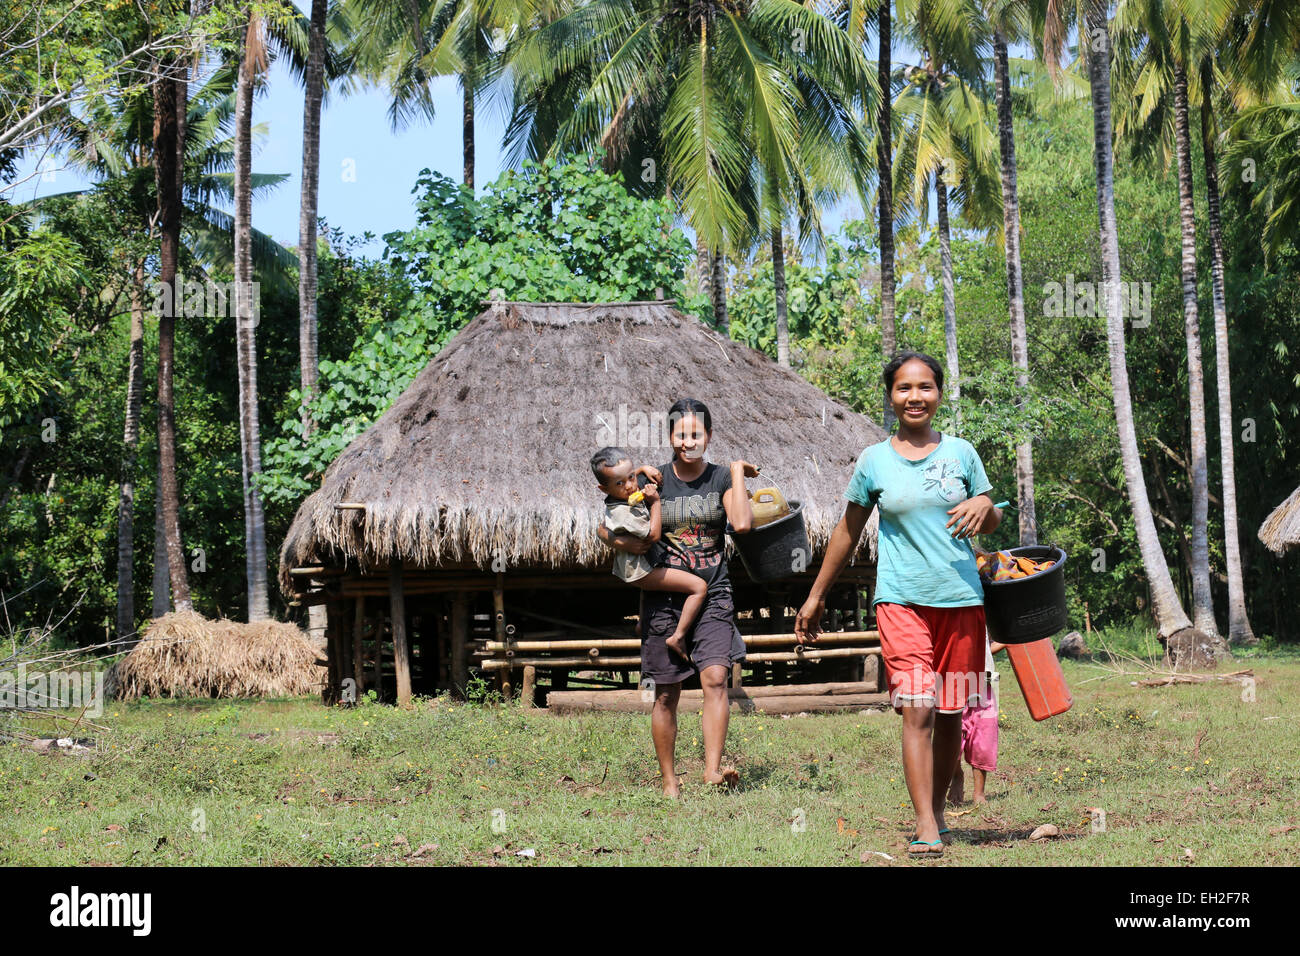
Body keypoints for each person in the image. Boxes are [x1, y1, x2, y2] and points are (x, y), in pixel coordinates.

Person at [794, 352, 1002, 857]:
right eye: (905, 387)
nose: (916, 396)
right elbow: (847, 530)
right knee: (918, 707)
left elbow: (990, 522)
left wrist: (986, 508)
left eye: (926, 387)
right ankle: (925, 823)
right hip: (901, 601)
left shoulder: (962, 454)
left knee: (952, 710)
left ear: (939, 392)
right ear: (890, 394)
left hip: (960, 600)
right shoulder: (874, 461)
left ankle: (940, 813)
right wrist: (817, 594)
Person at [596, 398, 757, 797]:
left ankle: (712, 770)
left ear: (709, 436)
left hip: (714, 590)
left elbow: (741, 523)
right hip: (665, 597)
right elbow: (609, 514)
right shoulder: (652, 480)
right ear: (670, 437)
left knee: (717, 678)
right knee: (666, 692)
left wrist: (737, 472)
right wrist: (609, 537)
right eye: (681, 434)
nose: (689, 442)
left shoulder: (721, 479)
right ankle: (670, 782)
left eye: (697, 434)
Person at [591, 445, 707, 662]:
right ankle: (678, 637)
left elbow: (627, 479)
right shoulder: (622, 512)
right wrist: (655, 503)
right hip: (640, 571)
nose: (630, 486)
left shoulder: (622, 494)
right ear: (603, 489)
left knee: (647, 590)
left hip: (639, 567)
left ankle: (642, 623)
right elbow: (653, 535)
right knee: (698, 588)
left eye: (632, 477)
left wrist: (643, 469)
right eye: (620, 483)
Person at [947, 634, 1005, 806]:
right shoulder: (946, 612)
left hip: (983, 684)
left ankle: (979, 793)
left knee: (983, 740)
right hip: (951, 683)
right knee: (951, 740)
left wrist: (1010, 641)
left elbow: (990, 645)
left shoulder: (984, 613)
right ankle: (956, 775)